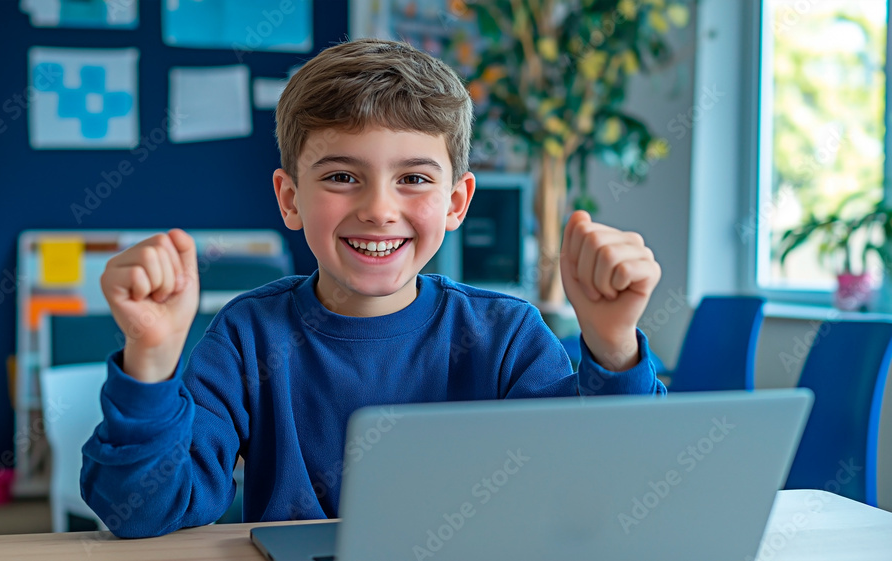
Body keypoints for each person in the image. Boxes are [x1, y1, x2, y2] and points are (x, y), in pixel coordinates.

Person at [81, 38, 664, 538]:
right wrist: (151, 364)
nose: (379, 209)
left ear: (456, 202)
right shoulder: (247, 335)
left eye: (413, 178)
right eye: (341, 177)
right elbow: (144, 513)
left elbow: (599, 489)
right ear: (290, 198)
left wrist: (613, 344)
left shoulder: (505, 335)